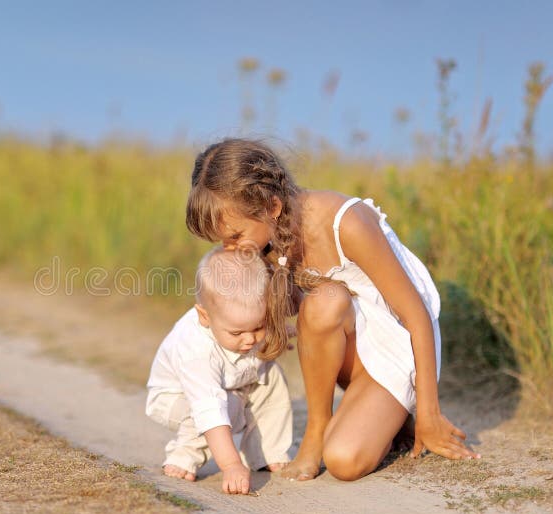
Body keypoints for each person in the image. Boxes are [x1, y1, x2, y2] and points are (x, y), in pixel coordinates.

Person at [185, 138, 479, 483]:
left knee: (343, 461)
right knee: (323, 305)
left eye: (234, 236)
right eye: (221, 241)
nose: (229, 248)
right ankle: (320, 427)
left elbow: (418, 316)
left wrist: (430, 412)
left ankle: (399, 415)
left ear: (272, 206)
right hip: (354, 353)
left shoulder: (346, 224)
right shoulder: (265, 243)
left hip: (398, 348)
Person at [145, 246, 293, 494]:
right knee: (224, 406)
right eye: (237, 332)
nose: (249, 340)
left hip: (230, 381)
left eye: (259, 326)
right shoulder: (196, 351)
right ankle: (185, 454)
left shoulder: (239, 326)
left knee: (271, 376)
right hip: (177, 397)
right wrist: (231, 465)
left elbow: (250, 330)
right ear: (205, 316)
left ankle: (267, 451)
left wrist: (276, 333)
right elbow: (208, 408)